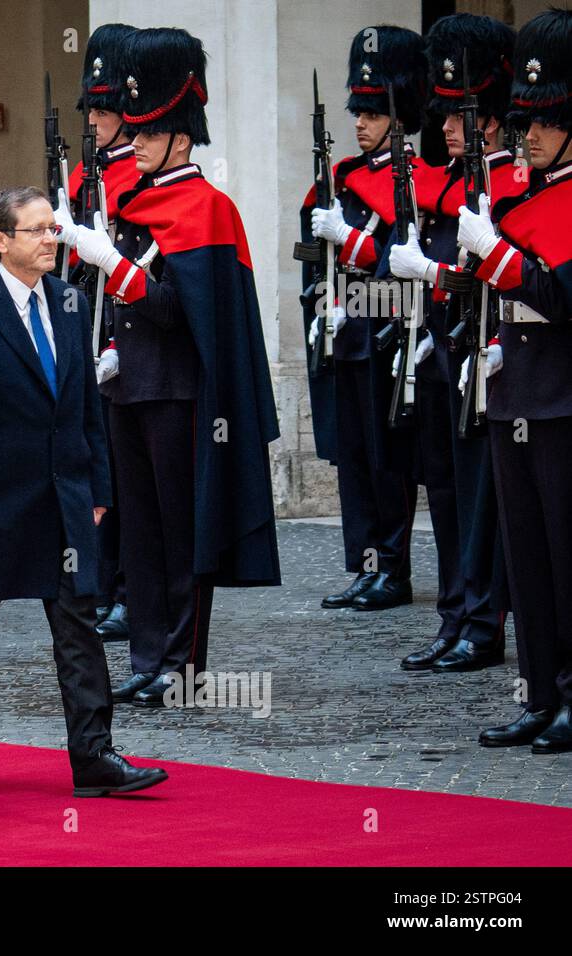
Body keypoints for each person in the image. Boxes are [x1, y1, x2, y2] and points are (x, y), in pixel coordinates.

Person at [60, 26, 282, 707]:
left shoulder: (207, 208)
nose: (139, 143)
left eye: (151, 134)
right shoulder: (134, 201)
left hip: (181, 393)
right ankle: (148, 655)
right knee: (146, 534)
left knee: (182, 534)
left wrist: (113, 267)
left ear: (180, 139)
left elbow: (182, 312)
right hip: (128, 384)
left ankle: (182, 665)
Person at [0, 185, 168, 798]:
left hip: (63, 497)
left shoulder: (68, 300)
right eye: (35, 230)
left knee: (78, 626)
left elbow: (86, 400)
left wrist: (97, 485)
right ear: (0, 240)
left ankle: (93, 756)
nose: (49, 240)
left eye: (52, 230)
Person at [387, 13, 524, 673]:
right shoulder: (453, 186)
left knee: (480, 497)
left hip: (490, 358)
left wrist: (435, 274)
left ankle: (482, 621)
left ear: (488, 120)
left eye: (455, 115)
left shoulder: (513, 186)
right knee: (442, 489)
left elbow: (498, 276)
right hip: (445, 351)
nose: (441, 127)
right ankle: (454, 612)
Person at [464, 9, 572, 754]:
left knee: (566, 559)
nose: (526, 135)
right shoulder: (521, 193)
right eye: (523, 121)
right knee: (527, 559)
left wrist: (495, 257)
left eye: (543, 122)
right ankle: (539, 690)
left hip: (564, 401)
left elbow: (562, 298)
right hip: (518, 394)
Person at [304, 25, 426, 613]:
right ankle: (366, 565)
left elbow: (406, 263)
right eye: (359, 110)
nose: (362, 122)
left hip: (386, 329)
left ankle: (394, 569)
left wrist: (349, 238)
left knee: (386, 457)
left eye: (374, 112)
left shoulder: (417, 182)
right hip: (346, 328)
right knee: (353, 456)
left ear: (400, 117)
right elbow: (315, 254)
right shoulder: (346, 177)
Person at [66, 22, 141, 643]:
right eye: (89, 106)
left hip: (118, 339)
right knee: (92, 465)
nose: (92, 117)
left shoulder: (131, 179)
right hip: (82, 333)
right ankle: (95, 578)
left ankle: (123, 589)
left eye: (102, 106)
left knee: (119, 474)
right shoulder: (85, 176)